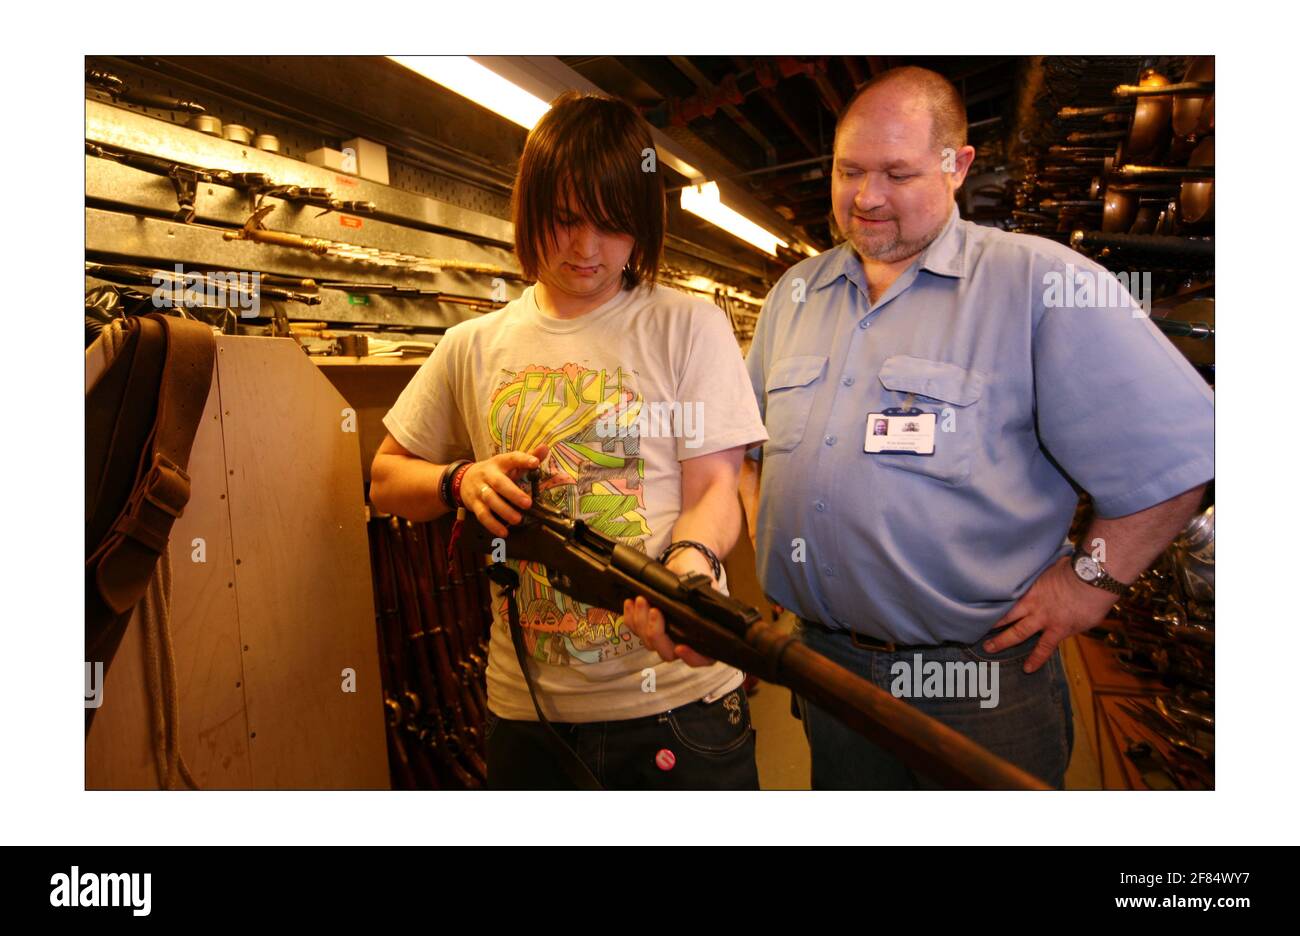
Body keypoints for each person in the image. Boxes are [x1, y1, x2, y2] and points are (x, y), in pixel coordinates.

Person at [627, 66, 1213, 789]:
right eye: (849, 171)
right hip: (824, 666)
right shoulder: (795, 296)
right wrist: (782, 540)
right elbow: (747, 450)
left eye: (898, 173)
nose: (867, 197)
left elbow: (1182, 451)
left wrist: (1089, 583)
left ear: (957, 166)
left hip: (978, 684)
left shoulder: (1037, 286)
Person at [369, 91, 768, 790]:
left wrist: (691, 570)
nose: (587, 249)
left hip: (680, 708)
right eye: (565, 220)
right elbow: (384, 477)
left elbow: (714, 489)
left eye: (614, 226)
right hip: (527, 716)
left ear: (643, 225)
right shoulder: (472, 345)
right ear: (531, 212)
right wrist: (460, 481)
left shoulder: (688, 326)